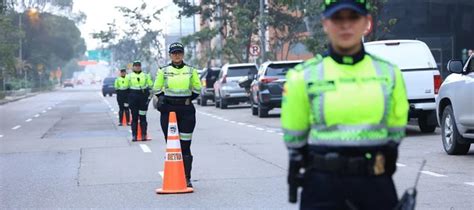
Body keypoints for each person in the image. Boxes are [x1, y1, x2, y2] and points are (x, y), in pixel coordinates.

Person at [281, 0, 409, 209]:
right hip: (323, 187)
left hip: (375, 185)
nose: (345, 25)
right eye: (337, 18)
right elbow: (294, 138)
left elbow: (395, 132)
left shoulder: (388, 73)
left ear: (366, 22)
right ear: (325, 23)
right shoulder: (302, 76)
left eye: (353, 17)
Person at [153, 42, 201, 188]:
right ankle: (173, 175)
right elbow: (156, 88)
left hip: (186, 111)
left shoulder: (191, 70)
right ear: (170, 55)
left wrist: (187, 99)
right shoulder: (163, 70)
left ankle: (186, 178)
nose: (177, 55)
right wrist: (164, 100)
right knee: (172, 144)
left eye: (179, 52)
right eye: (174, 53)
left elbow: (198, 88)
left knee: (185, 145)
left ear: (183, 54)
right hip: (169, 111)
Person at [128, 61, 153, 141]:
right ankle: (134, 135)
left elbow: (150, 85)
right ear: (133, 67)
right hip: (133, 98)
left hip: (143, 98)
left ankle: (143, 135)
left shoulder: (145, 75)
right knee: (134, 118)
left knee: (143, 117)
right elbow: (126, 88)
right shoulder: (129, 76)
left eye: (139, 66)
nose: (137, 67)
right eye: (135, 66)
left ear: (141, 67)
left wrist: (149, 96)